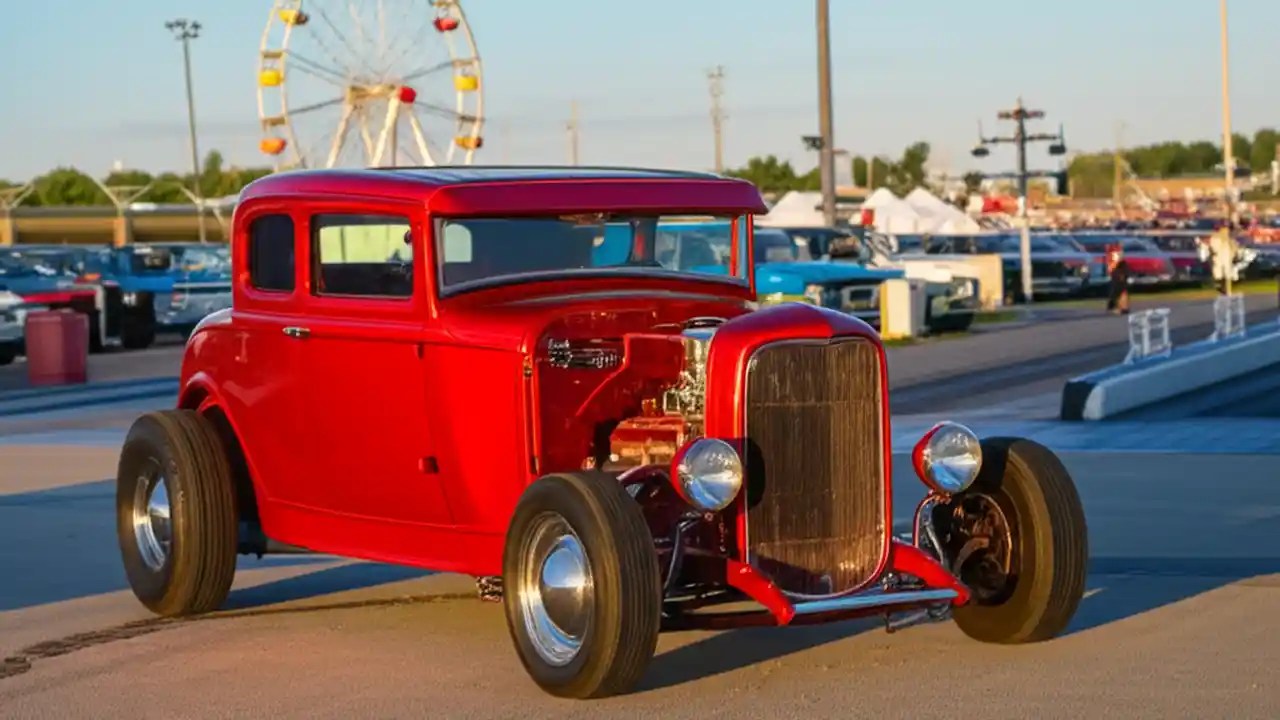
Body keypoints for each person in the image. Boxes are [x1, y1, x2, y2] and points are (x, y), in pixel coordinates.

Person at [1106, 242, 1130, 314]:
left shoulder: (1115, 251)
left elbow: (1119, 259)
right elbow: (1116, 261)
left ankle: (1123, 307)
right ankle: (1119, 307)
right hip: (1116, 271)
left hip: (1118, 271)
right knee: (1119, 290)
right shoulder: (1112, 251)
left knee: (1121, 290)